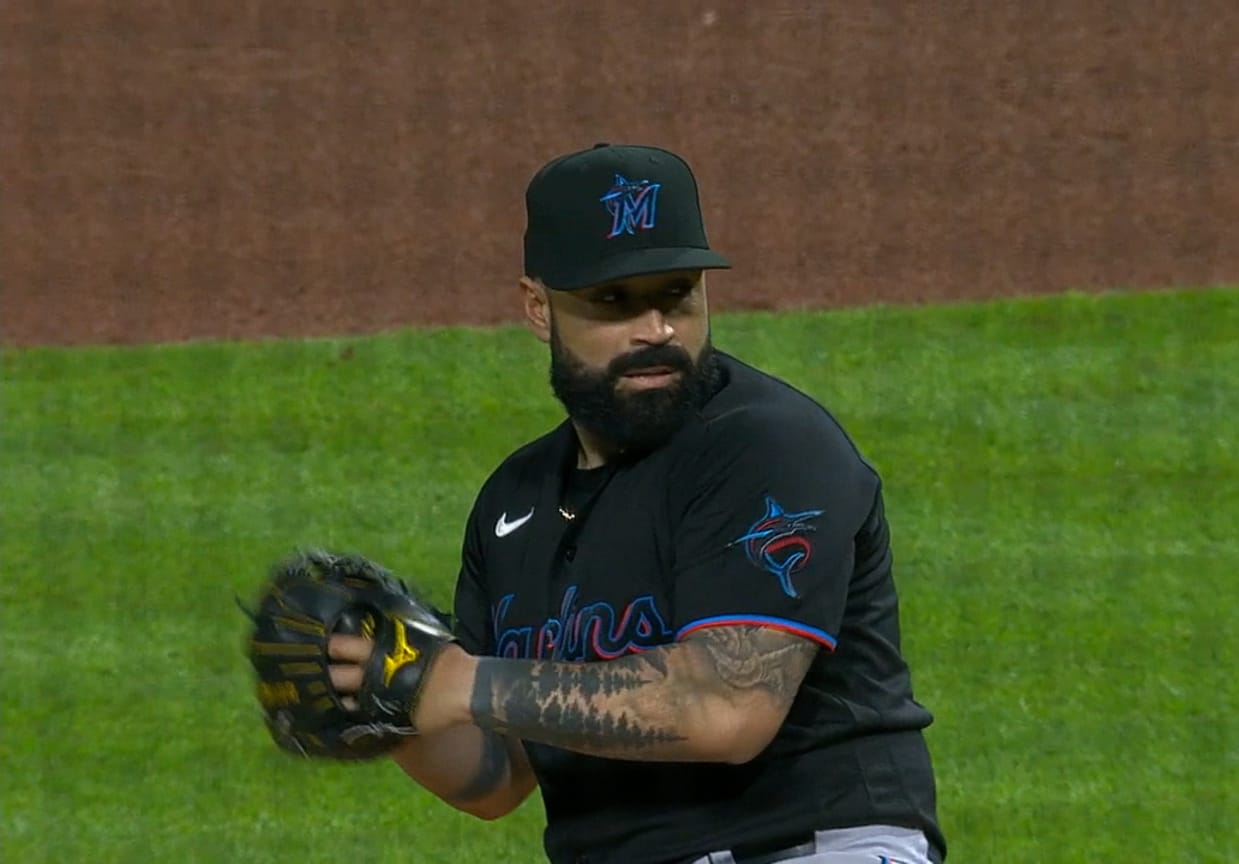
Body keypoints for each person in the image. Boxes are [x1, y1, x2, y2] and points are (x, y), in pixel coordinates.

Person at [327, 143, 947, 864]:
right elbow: (496, 778)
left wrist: (460, 679)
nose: (655, 329)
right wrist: (382, 701)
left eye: (677, 294)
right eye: (612, 301)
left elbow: (726, 708)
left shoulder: (767, 446)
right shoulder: (514, 502)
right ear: (538, 307)